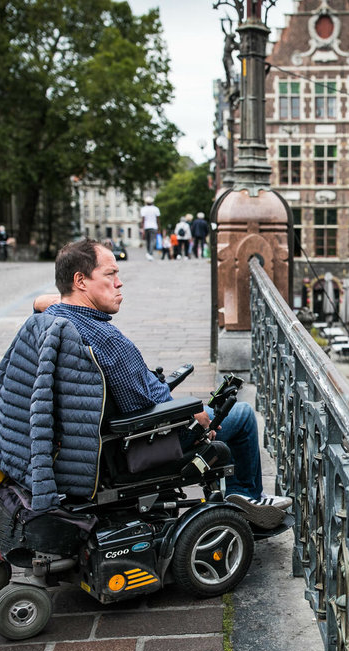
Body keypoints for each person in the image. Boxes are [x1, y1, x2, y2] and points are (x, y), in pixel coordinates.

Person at [31, 240, 291, 528]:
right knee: (241, 415)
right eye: (110, 274)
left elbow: (43, 302)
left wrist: (47, 300)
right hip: (138, 446)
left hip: (82, 448)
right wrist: (196, 417)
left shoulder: (51, 319)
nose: (119, 283)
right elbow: (143, 403)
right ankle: (245, 495)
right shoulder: (107, 340)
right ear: (80, 281)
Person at [139, 196, 160, 260]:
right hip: (154, 226)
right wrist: (159, 228)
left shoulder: (143, 209)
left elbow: (143, 220)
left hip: (146, 227)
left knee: (148, 241)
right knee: (152, 240)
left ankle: (149, 253)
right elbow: (158, 220)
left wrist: (142, 228)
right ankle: (150, 253)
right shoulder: (156, 209)